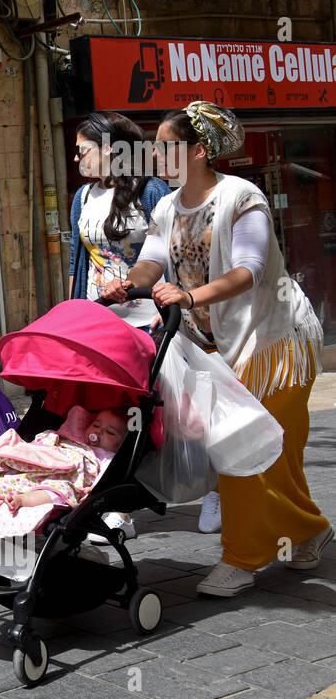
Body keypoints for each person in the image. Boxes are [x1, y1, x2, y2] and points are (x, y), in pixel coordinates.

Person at [101, 101, 332, 597]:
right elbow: (152, 262)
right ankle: (308, 529)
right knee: (244, 451)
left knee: (269, 452)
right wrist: (128, 285)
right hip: (216, 349)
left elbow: (248, 268)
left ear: (200, 151)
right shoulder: (166, 207)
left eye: (167, 146)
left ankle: (242, 559)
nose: (156, 154)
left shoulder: (241, 196)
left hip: (273, 344)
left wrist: (189, 296)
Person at [69, 111, 172, 542]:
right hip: (101, 320)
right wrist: (72, 312)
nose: (77, 159)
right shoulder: (82, 197)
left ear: (112, 150)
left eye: (83, 151)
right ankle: (114, 506)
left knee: (158, 411)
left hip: (148, 319)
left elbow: (171, 251)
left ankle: (208, 482)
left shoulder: (151, 191)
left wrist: (173, 308)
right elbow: (78, 260)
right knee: (108, 409)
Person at [0, 407, 126, 539]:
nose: (98, 433)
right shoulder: (72, 441)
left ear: (120, 444)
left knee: (62, 490)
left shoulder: (107, 456)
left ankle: (22, 500)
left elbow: (105, 476)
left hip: (70, 477)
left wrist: (94, 489)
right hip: (48, 467)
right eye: (96, 425)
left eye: (110, 432)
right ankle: (0, 489)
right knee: (18, 476)